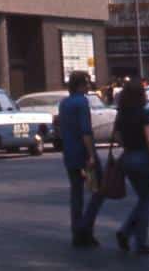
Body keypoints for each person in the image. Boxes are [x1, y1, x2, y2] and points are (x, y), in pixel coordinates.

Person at [110, 79, 149, 255]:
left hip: (127, 157)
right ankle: (137, 240)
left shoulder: (121, 114)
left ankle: (126, 232)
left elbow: (117, 136)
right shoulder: (143, 114)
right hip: (142, 157)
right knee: (145, 201)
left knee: (142, 199)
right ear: (141, 95)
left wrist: (127, 144)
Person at [58, 71, 106, 248]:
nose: (89, 87)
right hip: (84, 154)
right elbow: (86, 131)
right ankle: (84, 228)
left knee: (76, 193)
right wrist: (92, 155)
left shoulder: (64, 103)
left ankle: (77, 233)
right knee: (98, 189)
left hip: (69, 153)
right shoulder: (82, 102)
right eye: (86, 83)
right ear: (80, 85)